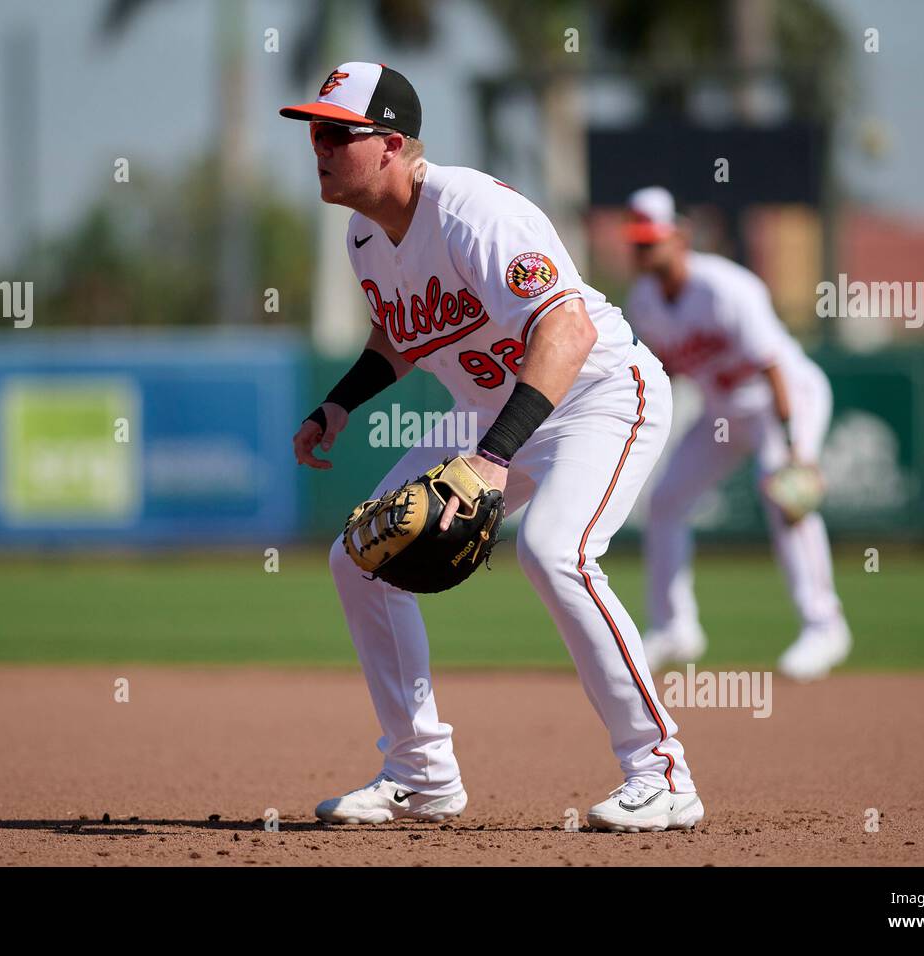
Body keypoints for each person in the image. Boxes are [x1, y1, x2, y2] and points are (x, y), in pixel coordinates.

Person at [284, 63, 703, 832]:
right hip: (494, 413)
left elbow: (567, 329)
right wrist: (338, 404)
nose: (319, 146)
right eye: (314, 131)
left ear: (392, 145)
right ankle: (421, 774)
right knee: (360, 556)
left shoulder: (470, 208)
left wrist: (493, 457)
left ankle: (662, 771)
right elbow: (400, 335)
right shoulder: (365, 235)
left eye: (336, 132)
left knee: (554, 551)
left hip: (599, 395)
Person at [623, 186, 852, 681]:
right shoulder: (643, 301)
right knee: (665, 502)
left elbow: (774, 367)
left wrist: (796, 449)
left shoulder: (726, 287)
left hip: (786, 399)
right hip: (723, 413)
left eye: (652, 240)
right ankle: (674, 628)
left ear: (680, 237)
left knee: (786, 499)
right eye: (637, 241)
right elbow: (667, 370)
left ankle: (825, 626)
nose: (643, 250)